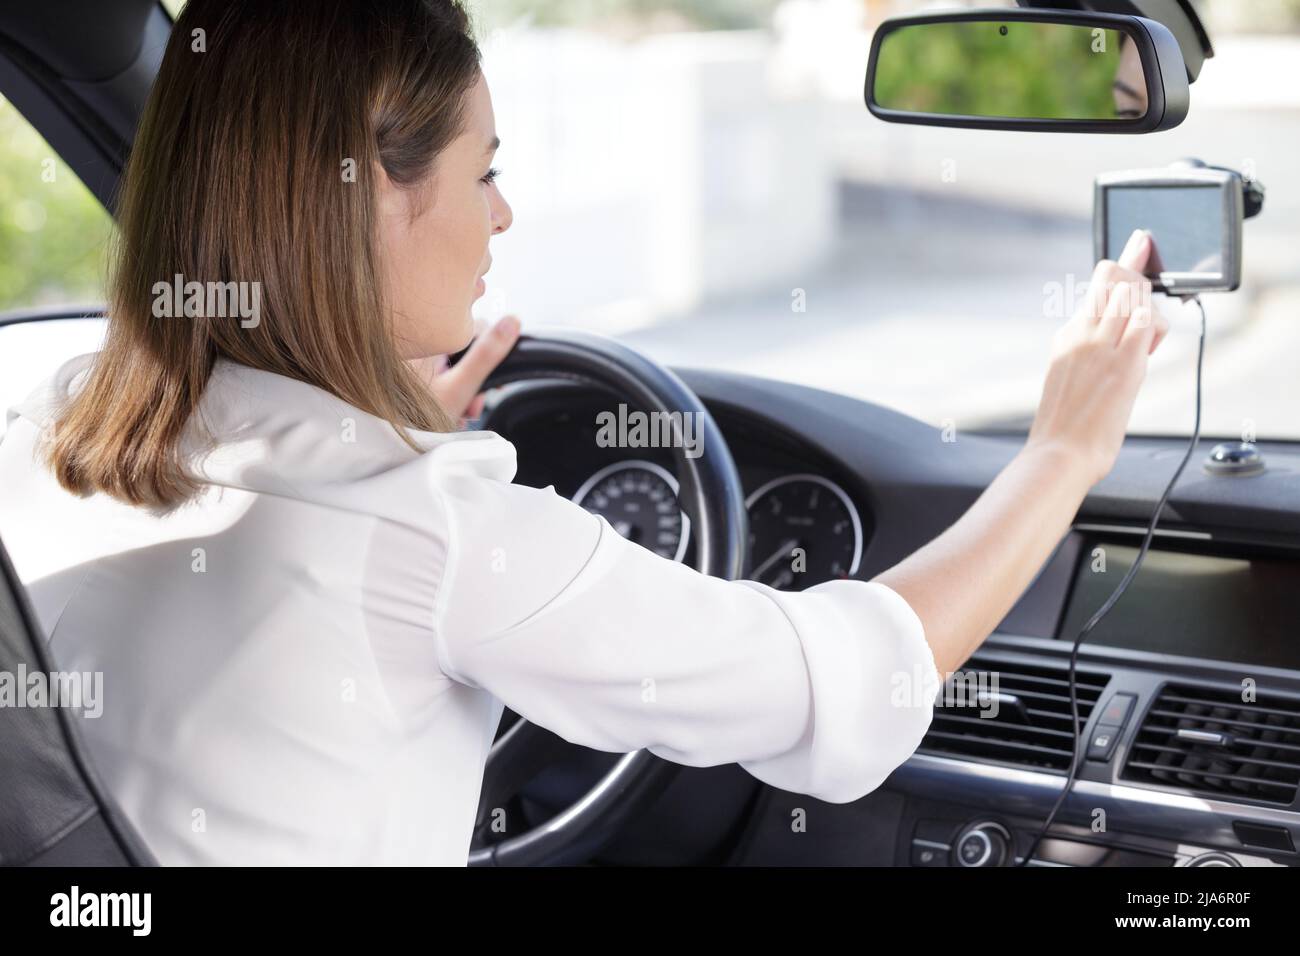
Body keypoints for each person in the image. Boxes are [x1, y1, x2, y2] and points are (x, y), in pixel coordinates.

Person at [0, 0, 1167, 865]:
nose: (502, 213)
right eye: (483, 172)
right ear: (368, 195)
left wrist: (382, 426)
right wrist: (1062, 449)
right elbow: (837, 686)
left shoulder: (35, 422)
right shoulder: (436, 527)